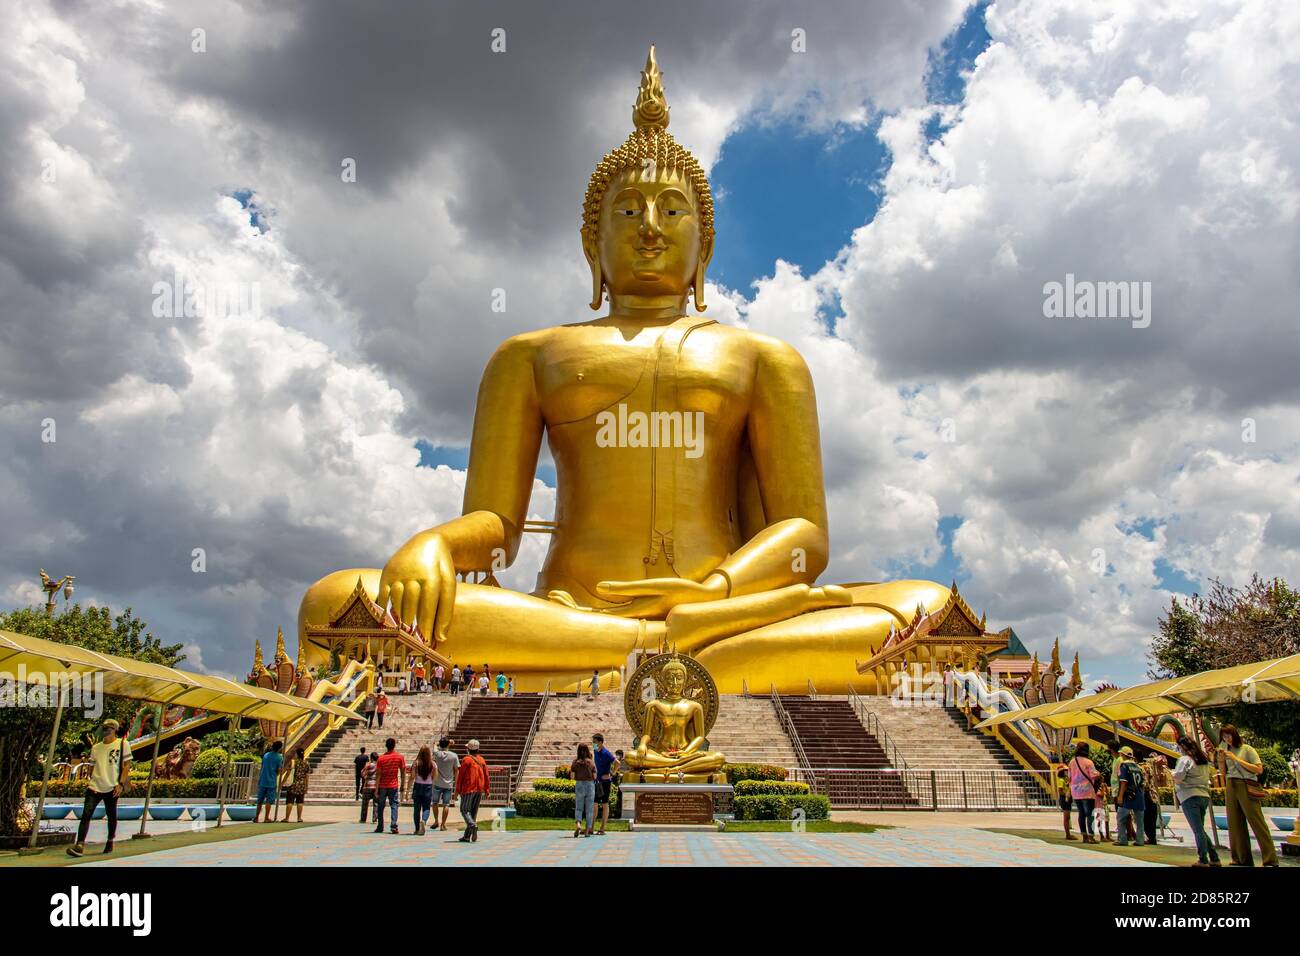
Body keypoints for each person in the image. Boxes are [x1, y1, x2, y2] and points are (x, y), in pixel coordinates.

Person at [66, 718, 132, 857]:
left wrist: (120, 783)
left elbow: (127, 765)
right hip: (95, 786)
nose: (105, 731)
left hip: (112, 785)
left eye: (108, 728)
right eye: (104, 728)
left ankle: (110, 840)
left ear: (115, 729)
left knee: (111, 814)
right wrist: (91, 777)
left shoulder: (122, 744)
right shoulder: (96, 747)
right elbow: (92, 765)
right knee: (86, 814)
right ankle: (80, 844)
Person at [1216, 724, 1278, 866]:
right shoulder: (1226, 750)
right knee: (1234, 822)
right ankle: (1240, 858)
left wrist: (1236, 759)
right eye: (1224, 737)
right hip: (1231, 784)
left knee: (1257, 822)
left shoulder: (1247, 749)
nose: (1227, 739)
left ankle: (1270, 860)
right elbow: (1224, 773)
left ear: (1235, 734)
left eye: (1229, 736)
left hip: (1246, 784)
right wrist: (1221, 760)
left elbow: (1258, 769)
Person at [1172, 734, 1220, 867]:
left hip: (1189, 796)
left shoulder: (1185, 760)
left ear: (1182, 746)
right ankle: (1214, 858)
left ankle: (1203, 859)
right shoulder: (1202, 760)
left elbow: (1179, 777)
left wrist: (1172, 775)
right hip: (1203, 795)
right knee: (1200, 829)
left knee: (1197, 830)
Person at [454, 738, 491, 843]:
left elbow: (460, 777)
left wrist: (457, 791)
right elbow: (486, 775)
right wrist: (487, 789)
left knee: (464, 810)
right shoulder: (482, 760)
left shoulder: (466, 760)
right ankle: (467, 836)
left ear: (468, 749)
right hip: (479, 789)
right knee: (473, 813)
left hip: (468, 789)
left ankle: (472, 825)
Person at [1067, 741, 1100, 844]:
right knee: (1090, 814)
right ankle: (1091, 836)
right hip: (1087, 791)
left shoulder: (1072, 762)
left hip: (1076, 791)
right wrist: (1098, 774)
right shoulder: (1089, 762)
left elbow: (1069, 777)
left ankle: (1084, 836)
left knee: (1081, 814)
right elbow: (1093, 775)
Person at [1114, 746, 1146, 847]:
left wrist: (1120, 796)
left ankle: (1122, 839)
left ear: (1123, 755)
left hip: (1128, 796)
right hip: (1139, 795)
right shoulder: (1138, 767)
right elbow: (1142, 783)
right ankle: (1140, 840)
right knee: (1140, 821)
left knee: (1120, 818)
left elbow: (1124, 782)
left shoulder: (1124, 766)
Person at [374, 737, 407, 834]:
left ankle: (380, 825)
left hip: (383, 785)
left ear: (386, 746)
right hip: (393, 785)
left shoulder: (381, 758)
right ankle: (393, 825)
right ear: (394, 745)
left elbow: (378, 774)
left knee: (381, 806)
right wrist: (403, 784)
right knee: (394, 805)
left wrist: (376, 789)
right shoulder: (399, 757)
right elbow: (403, 771)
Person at [432, 736, 461, 831]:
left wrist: (443, 743)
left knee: (435, 803)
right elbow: (456, 770)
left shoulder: (437, 754)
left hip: (437, 782)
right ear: (448, 745)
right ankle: (443, 824)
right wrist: (457, 783)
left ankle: (436, 820)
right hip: (448, 784)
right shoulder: (453, 755)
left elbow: (434, 746)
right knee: (446, 805)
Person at [592, 733, 616, 835]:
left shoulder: (606, 753)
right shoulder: (595, 751)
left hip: (605, 783)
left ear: (601, 742)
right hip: (597, 782)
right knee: (595, 804)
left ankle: (602, 828)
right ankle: (590, 827)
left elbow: (618, 763)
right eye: (593, 742)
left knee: (605, 804)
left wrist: (611, 774)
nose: (593, 744)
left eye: (595, 742)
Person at [254, 740, 284, 824]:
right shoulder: (279, 757)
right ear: (280, 748)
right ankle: (266, 817)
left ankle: (256, 817)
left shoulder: (266, 755)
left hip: (263, 780)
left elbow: (262, 766)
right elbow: (278, 770)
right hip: (271, 781)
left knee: (260, 801)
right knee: (268, 801)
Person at [571, 742, 597, 838]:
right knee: (589, 809)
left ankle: (578, 824)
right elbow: (595, 776)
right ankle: (587, 830)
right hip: (590, 785)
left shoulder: (575, 762)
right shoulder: (590, 762)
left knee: (579, 807)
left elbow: (572, 776)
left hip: (579, 785)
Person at [284, 746, 312, 822]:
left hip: (292, 784)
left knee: (290, 801)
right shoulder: (306, 763)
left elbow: (288, 773)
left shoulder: (293, 762)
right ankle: (299, 818)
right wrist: (306, 786)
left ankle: (287, 818)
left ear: (296, 754)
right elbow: (306, 776)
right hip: (302, 785)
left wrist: (283, 782)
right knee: (300, 802)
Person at [411, 746, 435, 835]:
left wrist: (407, 790)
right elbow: (434, 777)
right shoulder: (432, 764)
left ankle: (417, 829)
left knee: (416, 809)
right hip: (428, 787)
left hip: (417, 786)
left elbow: (412, 777)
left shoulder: (416, 763)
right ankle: (424, 821)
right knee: (426, 807)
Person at [359, 751, 379, 824]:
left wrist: (366, 777)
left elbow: (362, 773)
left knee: (365, 803)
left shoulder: (368, 765)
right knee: (376, 803)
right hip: (376, 786)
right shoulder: (379, 765)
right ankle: (375, 819)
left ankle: (363, 819)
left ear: (371, 758)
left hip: (367, 786)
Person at [1055, 763, 1074, 840]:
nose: (1067, 772)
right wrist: (1067, 794)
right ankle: (1067, 834)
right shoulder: (1061, 780)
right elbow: (1060, 791)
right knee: (1066, 817)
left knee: (1068, 817)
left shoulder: (1066, 780)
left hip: (1067, 798)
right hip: (1064, 798)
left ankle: (1068, 834)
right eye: (1065, 771)